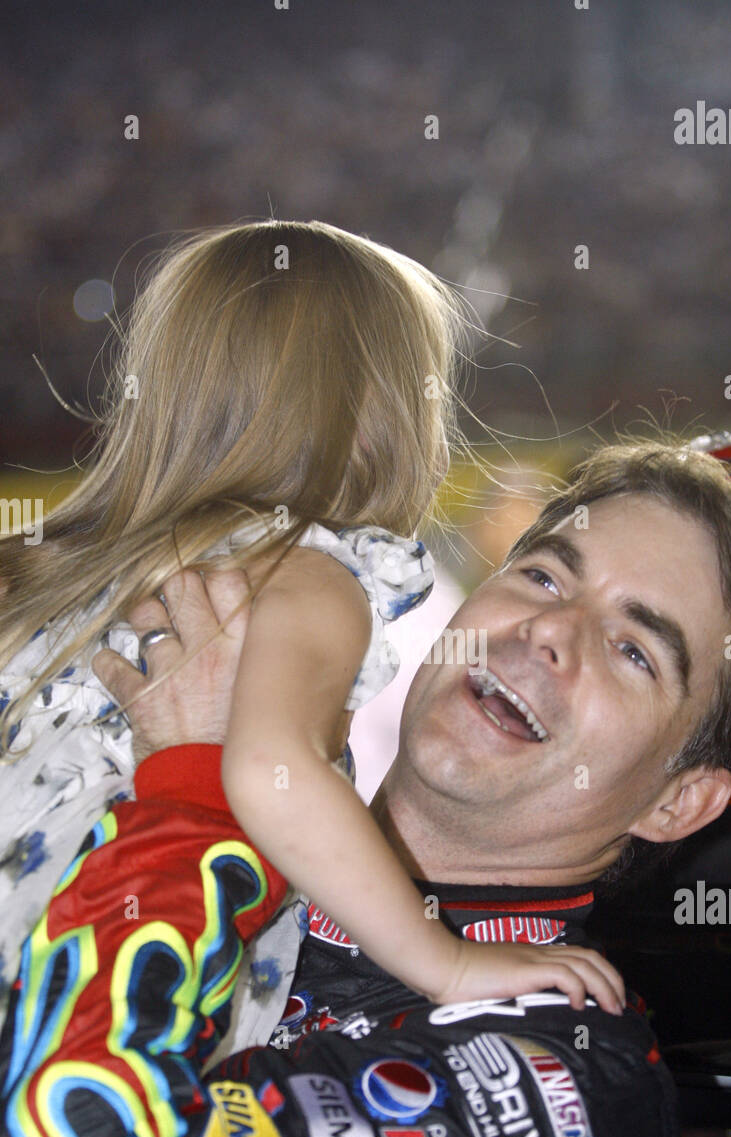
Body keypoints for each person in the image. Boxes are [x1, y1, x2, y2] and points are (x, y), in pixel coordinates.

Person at [0, 443, 731, 1137]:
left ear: (678, 803)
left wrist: (202, 786)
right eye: (542, 578)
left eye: (633, 651)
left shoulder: (579, 1079)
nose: (547, 633)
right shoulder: (141, 780)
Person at [0, 218, 621, 1052]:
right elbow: (272, 769)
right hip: (96, 986)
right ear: (378, 416)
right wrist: (445, 963)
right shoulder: (308, 570)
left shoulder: (52, 563)